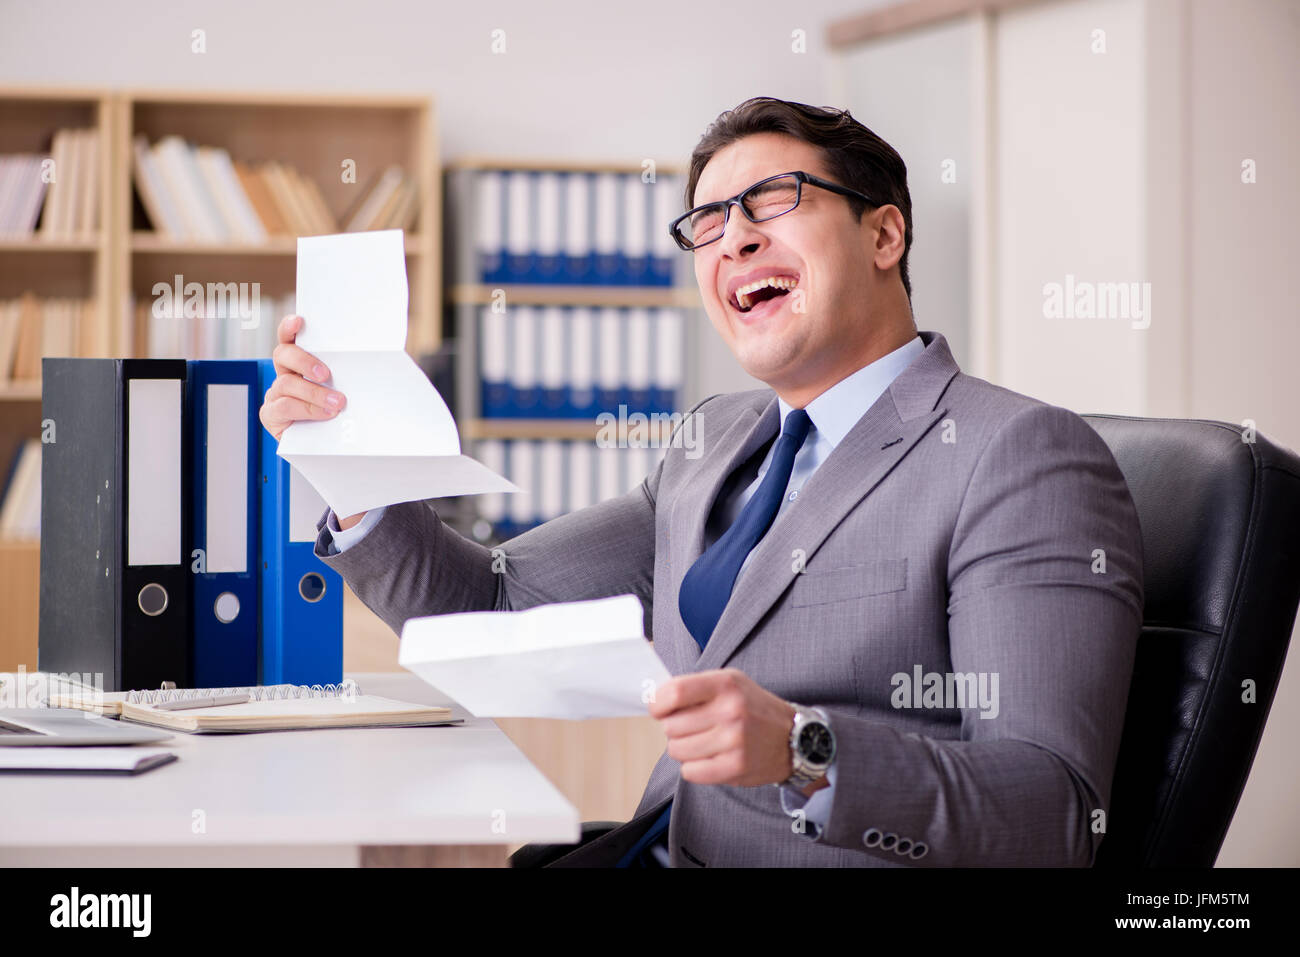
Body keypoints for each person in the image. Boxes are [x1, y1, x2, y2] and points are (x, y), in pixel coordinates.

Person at [258, 96, 1144, 867]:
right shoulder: (713, 441)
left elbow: (1053, 813)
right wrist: (355, 452)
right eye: (707, 222)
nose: (736, 237)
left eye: (773, 201)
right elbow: (486, 602)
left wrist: (806, 751)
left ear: (884, 234)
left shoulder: (1018, 454)